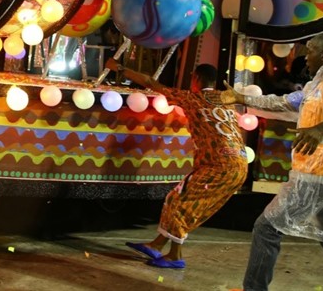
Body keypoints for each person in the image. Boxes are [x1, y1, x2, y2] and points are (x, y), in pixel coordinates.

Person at [220, 32, 323, 291]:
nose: (305, 57)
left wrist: (320, 129)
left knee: (266, 228)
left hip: (321, 177)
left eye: (310, 50)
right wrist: (242, 98)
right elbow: (283, 103)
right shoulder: (319, 85)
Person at [106, 60, 247, 268]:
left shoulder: (192, 98)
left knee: (179, 202)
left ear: (196, 79)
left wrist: (120, 68)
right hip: (239, 165)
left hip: (220, 165)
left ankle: (175, 256)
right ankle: (157, 244)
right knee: (183, 201)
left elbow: (150, 82)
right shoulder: (226, 101)